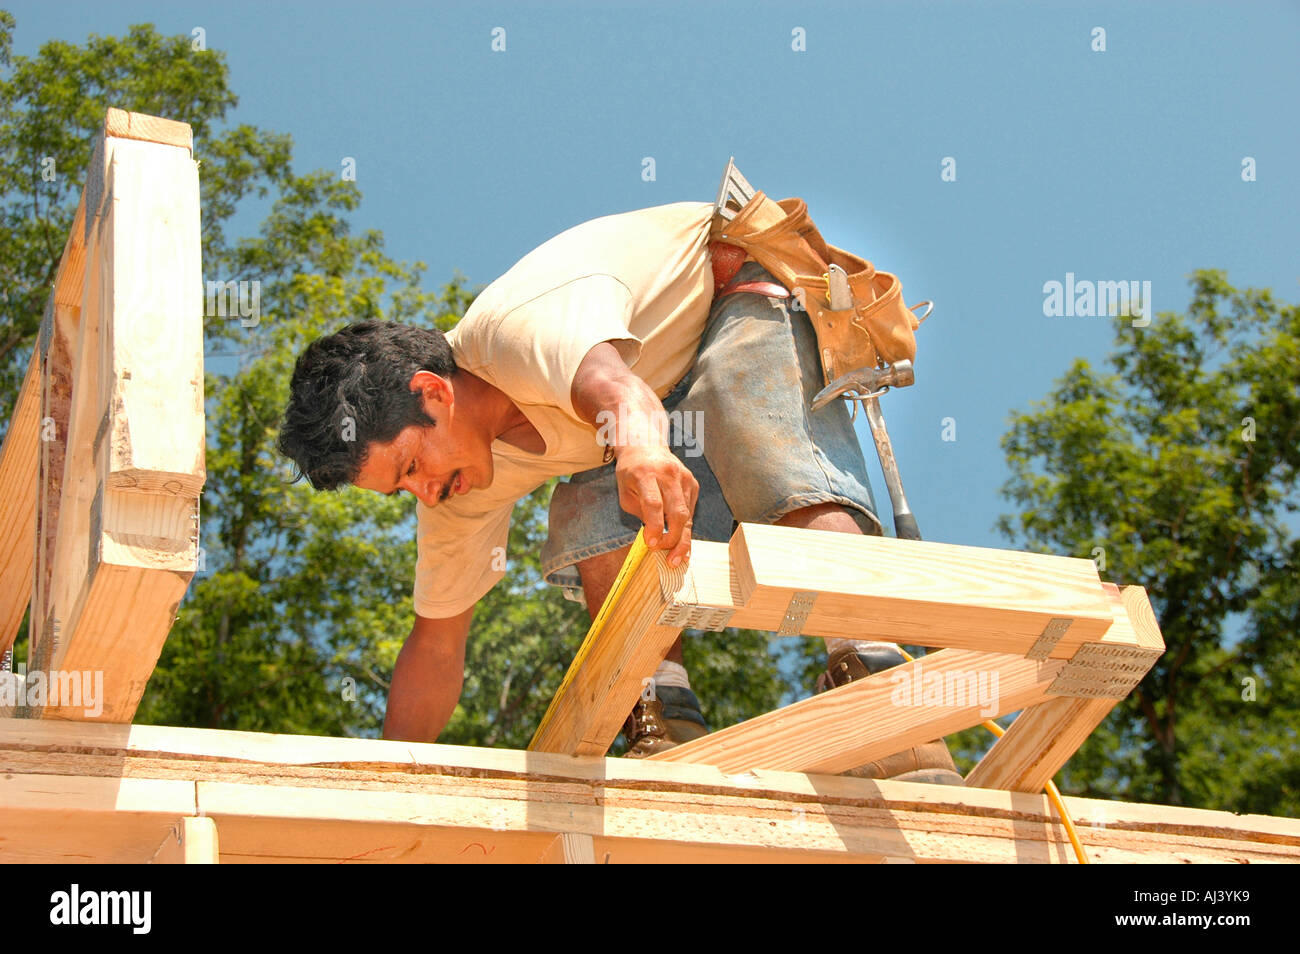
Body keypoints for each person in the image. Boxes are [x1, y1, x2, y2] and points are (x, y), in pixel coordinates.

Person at [277, 200, 962, 784]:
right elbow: (435, 643)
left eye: (409, 469)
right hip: (655, 395)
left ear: (431, 393)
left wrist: (639, 447)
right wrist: (389, 783)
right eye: (404, 493)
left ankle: (877, 682)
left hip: (732, 294)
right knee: (585, 512)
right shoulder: (459, 487)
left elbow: (617, 391)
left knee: (746, 409)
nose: (425, 494)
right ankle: (663, 719)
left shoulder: (519, 329)